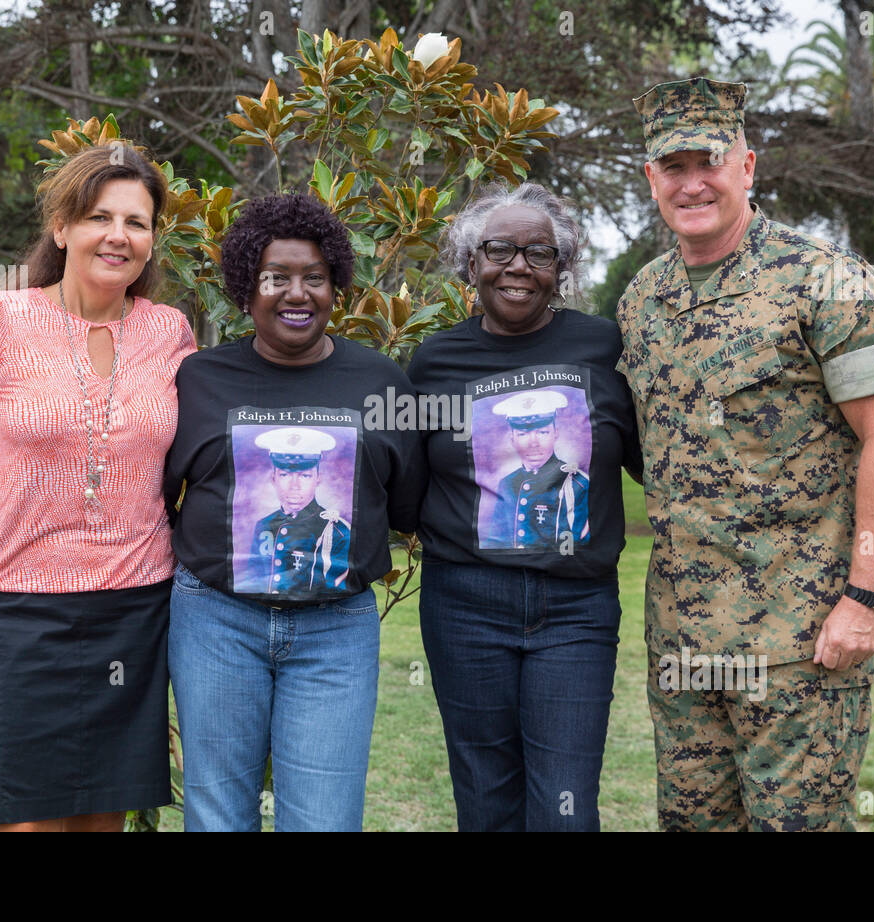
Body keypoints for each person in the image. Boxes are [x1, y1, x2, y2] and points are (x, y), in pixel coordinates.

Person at [619, 77, 874, 831]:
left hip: (802, 642)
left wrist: (866, 597)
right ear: (651, 179)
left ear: (747, 166)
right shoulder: (642, 300)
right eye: (672, 166)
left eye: (708, 161)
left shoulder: (824, 282)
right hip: (685, 644)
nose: (692, 183)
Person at [0, 144, 197, 831]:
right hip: (19, 611)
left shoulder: (169, 332)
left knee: (102, 815)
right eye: (100, 216)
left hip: (135, 607)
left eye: (137, 221)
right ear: (62, 226)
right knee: (29, 818)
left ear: (152, 238)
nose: (118, 235)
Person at [164, 193, 423, 832]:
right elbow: (154, 491)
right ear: (245, 288)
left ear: (337, 286)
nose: (296, 293)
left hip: (337, 631)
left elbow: (406, 503)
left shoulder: (382, 383)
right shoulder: (197, 379)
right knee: (219, 815)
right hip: (216, 623)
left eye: (315, 277)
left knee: (326, 820)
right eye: (275, 277)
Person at [407, 182, 643, 831]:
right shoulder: (435, 361)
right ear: (470, 263)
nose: (518, 266)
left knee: (565, 805)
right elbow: (407, 480)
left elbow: (654, 461)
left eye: (538, 252)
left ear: (561, 268)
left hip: (576, 608)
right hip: (464, 605)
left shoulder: (604, 348)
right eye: (500, 250)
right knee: (486, 799)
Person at [238, 427, 352, 593]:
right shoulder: (264, 524)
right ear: (274, 478)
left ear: (317, 479)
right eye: (284, 475)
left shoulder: (336, 531)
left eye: (304, 476)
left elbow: (333, 592)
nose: (294, 486)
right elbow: (254, 581)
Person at [487, 389, 590, 549]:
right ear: (512, 438)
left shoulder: (577, 483)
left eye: (542, 432)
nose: (533, 442)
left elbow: (580, 547)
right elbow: (495, 542)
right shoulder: (506, 484)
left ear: (555, 434)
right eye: (523, 434)